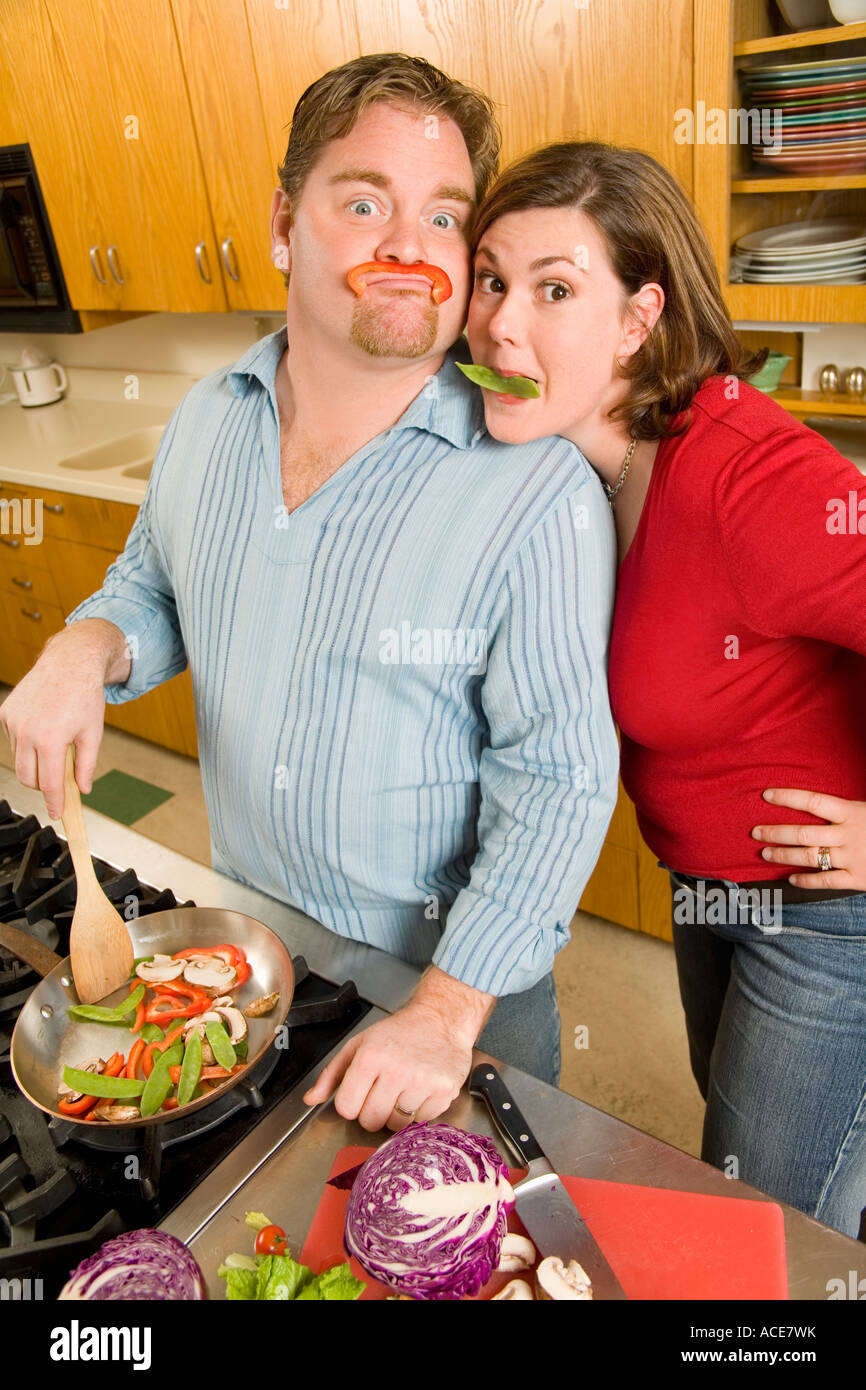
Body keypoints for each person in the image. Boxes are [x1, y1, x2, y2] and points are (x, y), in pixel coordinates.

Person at [0, 59, 619, 1132]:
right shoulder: (206, 416)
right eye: (365, 203)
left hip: (446, 999)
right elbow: (154, 582)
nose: (407, 247)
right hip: (251, 957)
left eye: (442, 217)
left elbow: (558, 782)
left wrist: (443, 1014)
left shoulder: (536, 487)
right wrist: (85, 646)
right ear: (286, 223)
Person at [461, 139, 866, 1238]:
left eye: (554, 290)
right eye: (491, 280)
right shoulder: (587, 461)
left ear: (639, 319)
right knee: (764, 1168)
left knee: (764, 1233)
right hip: (710, 893)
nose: (500, 325)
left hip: (825, 923)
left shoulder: (746, 475)